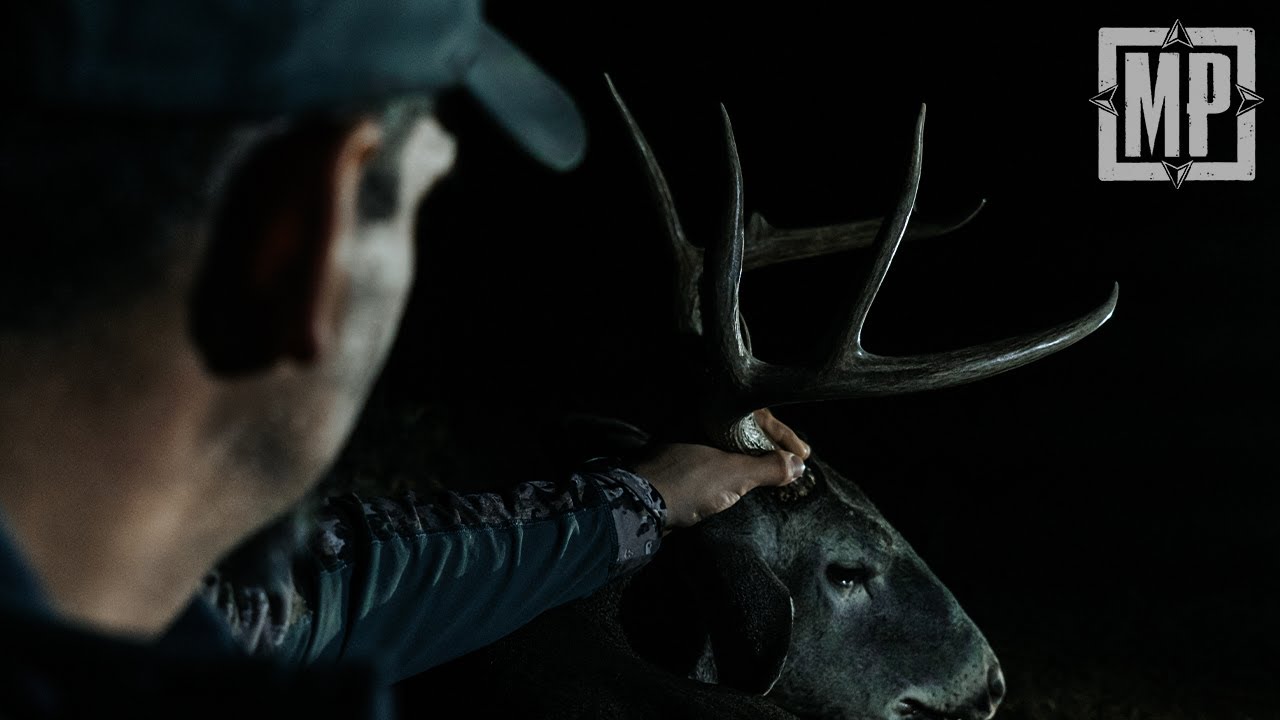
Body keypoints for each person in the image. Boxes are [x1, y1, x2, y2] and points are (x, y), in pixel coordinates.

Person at [0, 2, 810, 716]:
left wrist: (640, 498)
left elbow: (325, 599)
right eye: (410, 207)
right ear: (300, 247)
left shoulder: (151, 606)